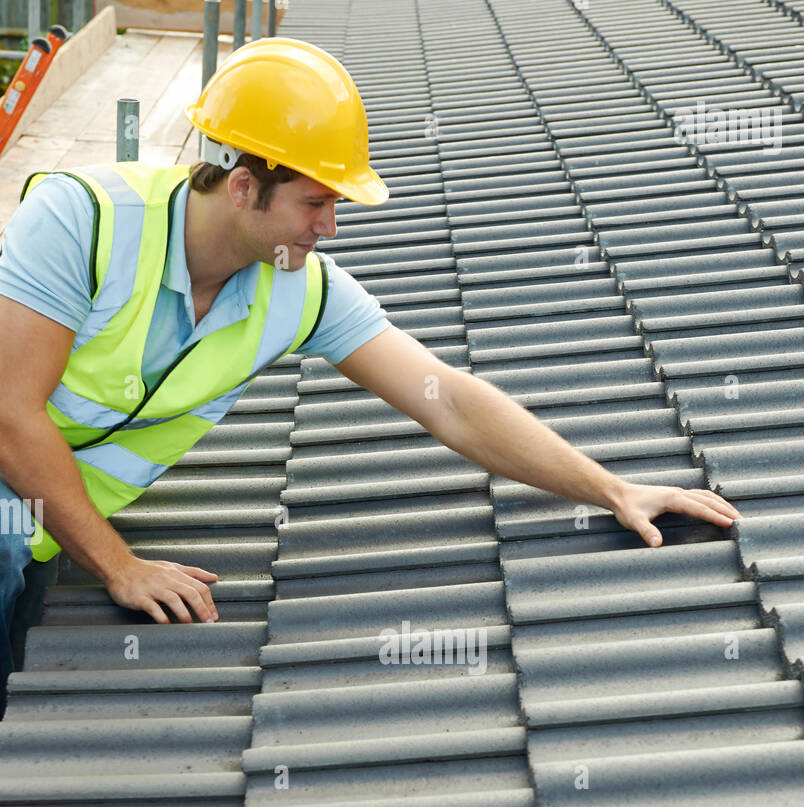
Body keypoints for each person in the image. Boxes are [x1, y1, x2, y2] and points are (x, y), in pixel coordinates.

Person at [0, 35, 740, 719]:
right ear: (243, 186)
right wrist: (119, 566)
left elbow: (445, 398)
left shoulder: (297, 286)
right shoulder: (83, 221)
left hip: (41, 532)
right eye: (315, 202)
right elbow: (9, 412)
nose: (329, 229)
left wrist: (611, 488)